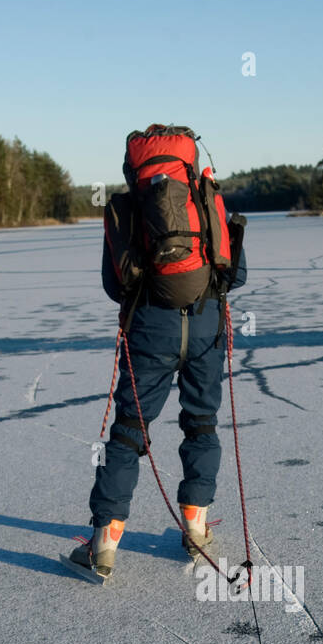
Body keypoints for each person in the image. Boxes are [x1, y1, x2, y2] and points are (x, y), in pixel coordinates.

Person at [65, 124, 247, 581]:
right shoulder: (206, 196)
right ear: (188, 162)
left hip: (150, 328)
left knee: (128, 431)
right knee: (201, 422)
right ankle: (195, 526)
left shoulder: (124, 208)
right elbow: (235, 274)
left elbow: (114, 284)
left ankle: (103, 545)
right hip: (206, 323)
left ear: (134, 168)